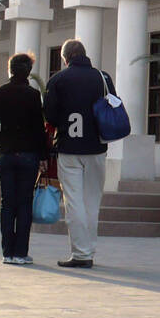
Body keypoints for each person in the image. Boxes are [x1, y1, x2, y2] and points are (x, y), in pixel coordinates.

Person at [43, 39, 117, 269]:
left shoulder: (58, 80)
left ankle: (81, 253)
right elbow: (113, 106)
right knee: (91, 202)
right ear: (85, 55)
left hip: (69, 149)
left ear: (66, 59)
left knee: (73, 202)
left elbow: (50, 117)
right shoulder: (102, 78)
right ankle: (89, 250)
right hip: (96, 148)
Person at [0, 52, 49, 265]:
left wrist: (0, 142)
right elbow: (40, 129)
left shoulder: (0, 92)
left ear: (10, 69)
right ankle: (21, 252)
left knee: (7, 204)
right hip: (28, 156)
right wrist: (43, 156)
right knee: (24, 204)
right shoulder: (32, 95)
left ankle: (7, 252)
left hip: (7, 155)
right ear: (28, 72)